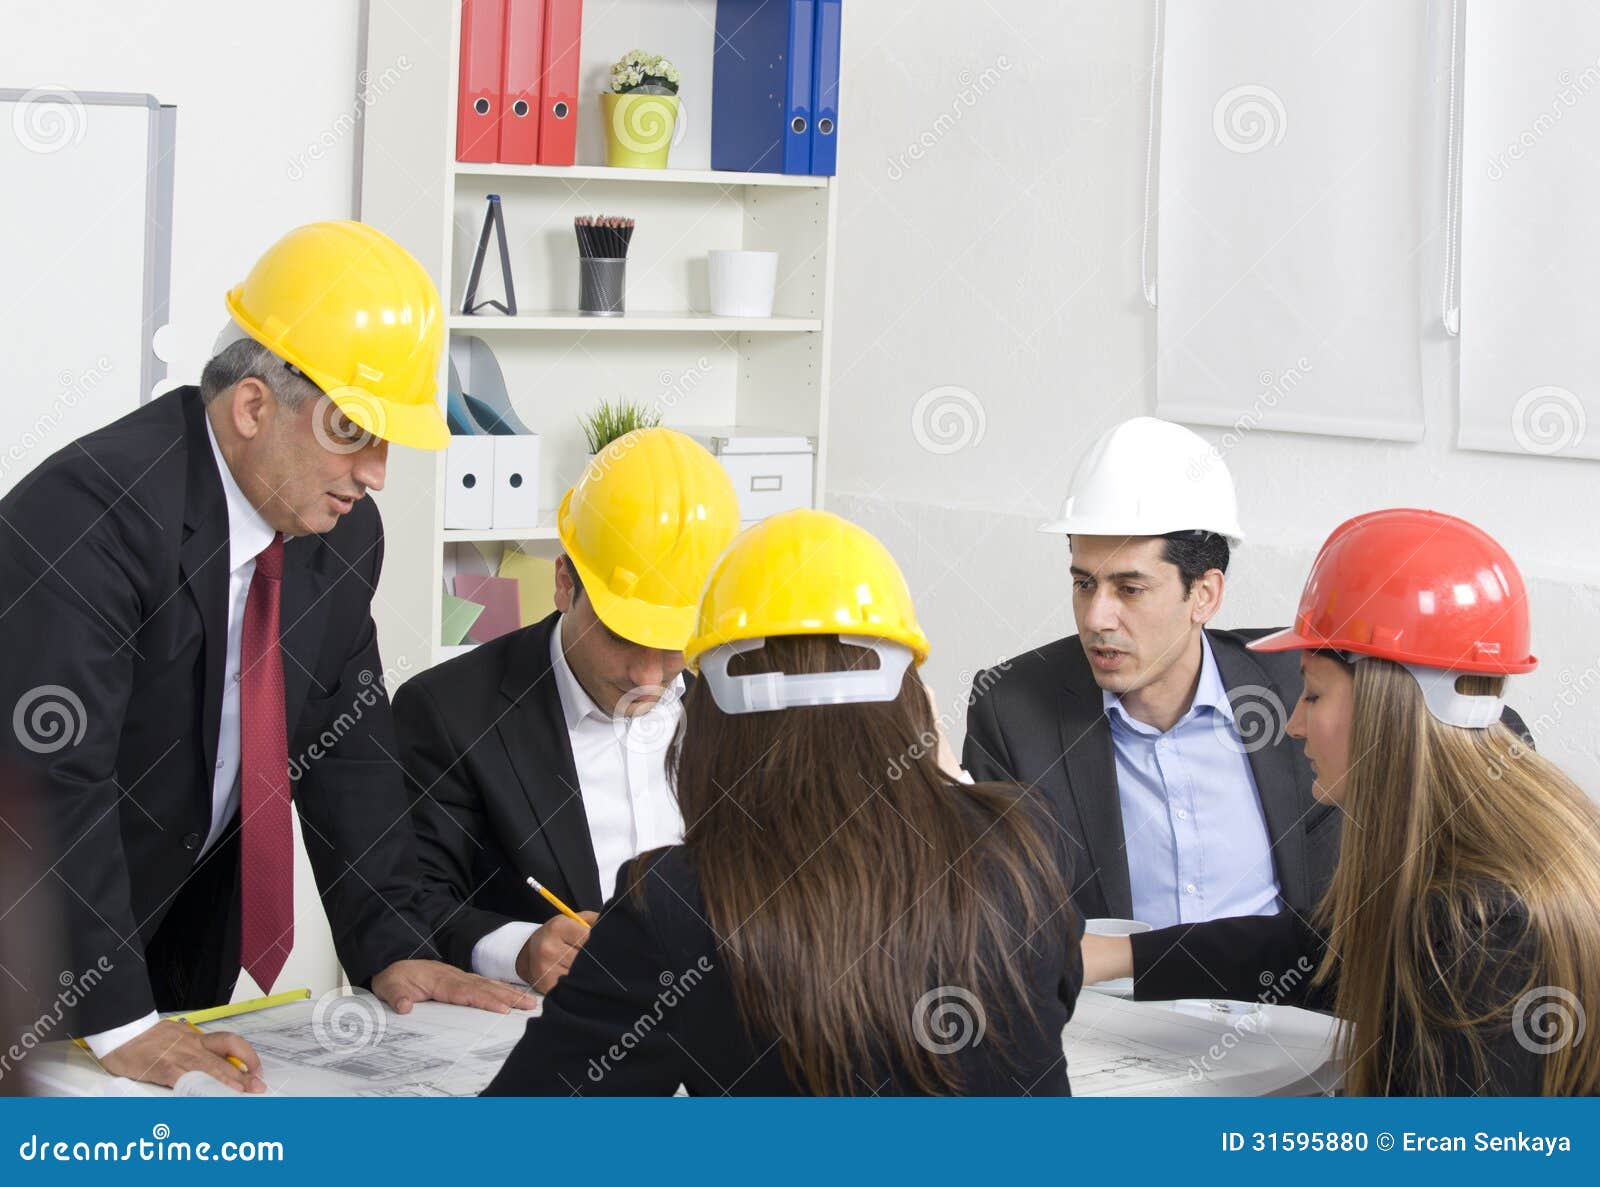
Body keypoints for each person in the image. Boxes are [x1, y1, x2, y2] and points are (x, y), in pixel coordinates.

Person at [0, 221, 530, 1094]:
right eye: (355, 431)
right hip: (36, 952)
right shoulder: (88, 514)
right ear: (252, 407)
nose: (377, 472)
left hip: (173, 937)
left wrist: (392, 941)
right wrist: (118, 1016)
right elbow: (55, 780)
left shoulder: (344, 535)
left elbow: (349, 746)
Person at [483, 509, 1083, 1095]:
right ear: (912, 702)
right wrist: (955, 789)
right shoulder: (1027, 842)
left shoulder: (675, 906)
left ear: (710, 718)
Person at [1083, 509, 1600, 1096]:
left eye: (1313, 693)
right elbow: (1314, 948)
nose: (1295, 724)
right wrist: (1117, 953)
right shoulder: (1472, 856)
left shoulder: (1478, 923)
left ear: (1388, 707)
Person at [395, 429, 740, 993]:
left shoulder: (734, 710)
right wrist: (520, 949)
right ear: (563, 583)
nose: (649, 677)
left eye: (674, 640)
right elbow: (411, 904)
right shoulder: (446, 711)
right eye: (624, 637)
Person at [964, 417, 1336, 927]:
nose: (1096, 618)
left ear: (1204, 595)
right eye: (1085, 584)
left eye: (1129, 589)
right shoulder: (1012, 709)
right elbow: (998, 921)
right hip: (1110, 1003)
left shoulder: (1301, 686)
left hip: (1279, 1001)